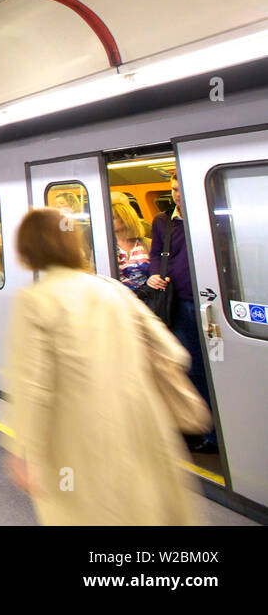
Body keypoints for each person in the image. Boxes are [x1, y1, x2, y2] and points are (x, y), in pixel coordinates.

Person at [2, 208, 201, 524]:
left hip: (79, 435)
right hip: (141, 426)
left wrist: (23, 450)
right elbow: (174, 353)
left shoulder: (35, 300)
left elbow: (33, 386)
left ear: (27, 250)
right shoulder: (113, 289)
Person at [144, 176, 217, 454]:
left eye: (181, 189)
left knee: (214, 370)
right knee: (191, 368)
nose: (177, 195)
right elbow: (155, 255)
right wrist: (153, 275)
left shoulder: (208, 215)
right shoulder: (163, 221)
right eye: (174, 190)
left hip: (209, 304)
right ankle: (204, 432)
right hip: (180, 303)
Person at [112, 199, 151, 293]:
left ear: (125, 219)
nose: (107, 220)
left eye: (112, 218)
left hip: (147, 297)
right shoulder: (105, 247)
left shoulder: (148, 244)